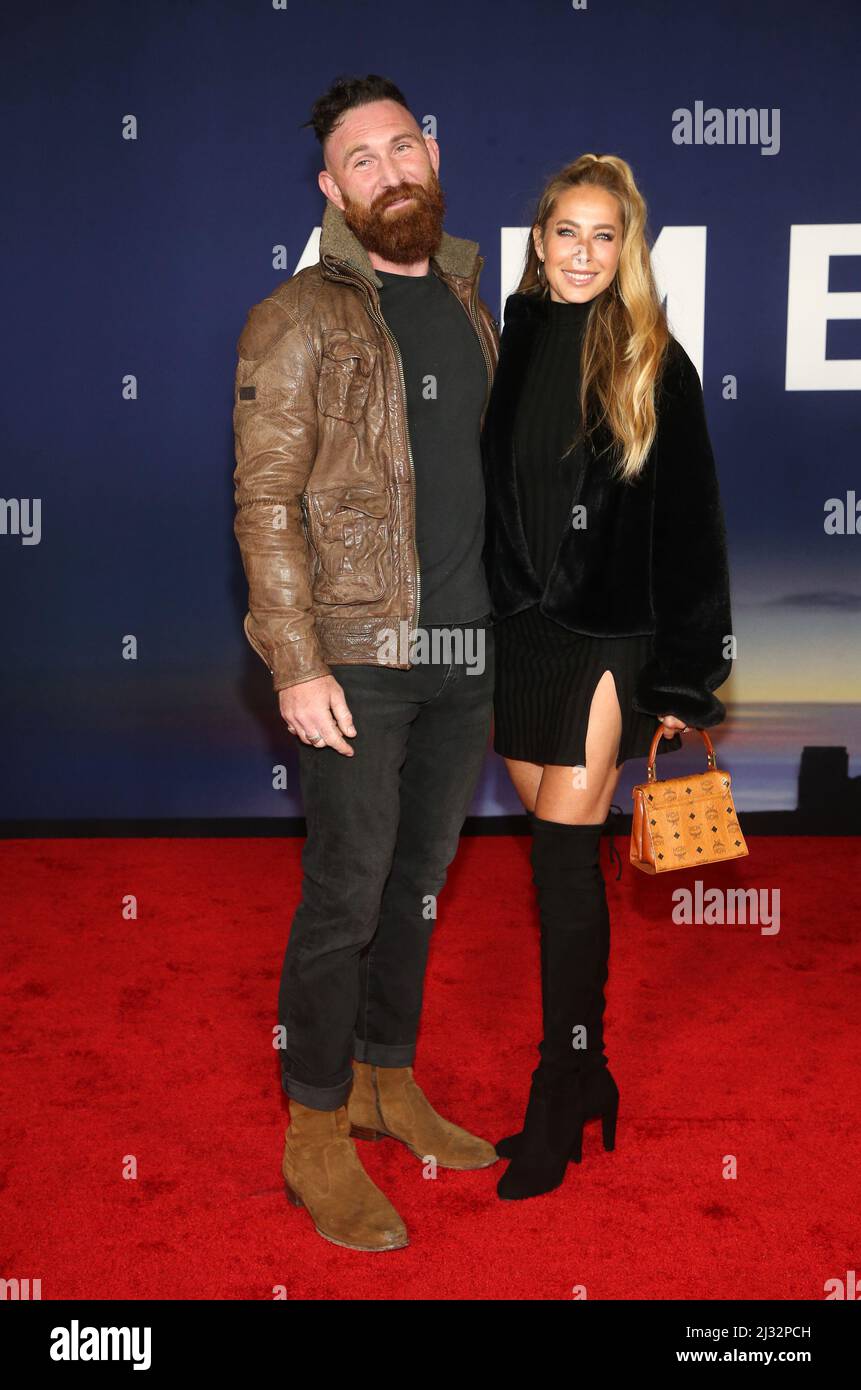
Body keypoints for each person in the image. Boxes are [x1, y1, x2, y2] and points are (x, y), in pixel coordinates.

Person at [232, 75, 500, 1252]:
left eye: (404, 147)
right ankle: (315, 1129)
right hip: (356, 657)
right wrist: (295, 662)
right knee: (345, 892)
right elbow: (264, 499)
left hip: (468, 653)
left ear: (431, 156)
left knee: (423, 880)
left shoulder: (472, 302)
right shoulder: (296, 315)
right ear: (333, 189)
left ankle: (389, 1080)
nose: (390, 171)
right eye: (362, 159)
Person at [481, 154, 734, 1201]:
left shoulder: (652, 361)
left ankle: (557, 1087)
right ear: (539, 243)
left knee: (563, 865)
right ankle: (593, 1075)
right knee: (555, 852)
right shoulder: (522, 332)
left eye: (604, 236)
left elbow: (691, 530)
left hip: (607, 637)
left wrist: (681, 682)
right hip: (522, 632)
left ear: (627, 249)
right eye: (565, 233)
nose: (583, 254)